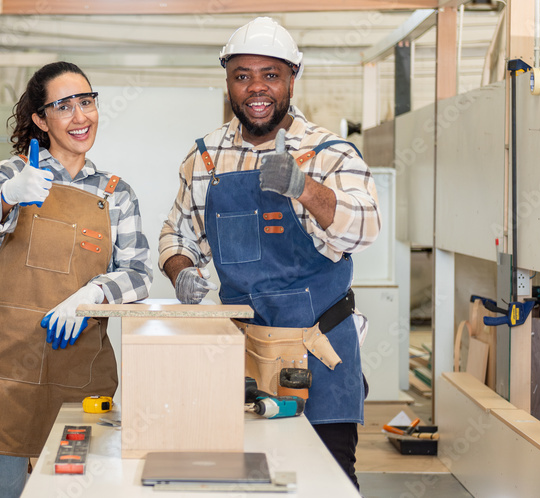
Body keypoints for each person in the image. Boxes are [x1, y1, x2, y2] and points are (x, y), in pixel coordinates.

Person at [158, 17, 380, 490]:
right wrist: (180, 271)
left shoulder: (328, 153)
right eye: (242, 76)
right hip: (241, 354)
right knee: (247, 479)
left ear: (292, 79)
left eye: (270, 75)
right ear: (228, 82)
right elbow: (176, 236)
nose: (256, 88)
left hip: (318, 354)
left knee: (329, 480)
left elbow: (364, 229)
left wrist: (303, 187)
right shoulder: (205, 159)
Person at [0, 61, 153, 498]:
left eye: (86, 101)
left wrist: (93, 293)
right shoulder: (14, 174)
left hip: (77, 372)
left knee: (77, 490)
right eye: (63, 106)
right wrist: (8, 196)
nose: (80, 116)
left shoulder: (115, 192)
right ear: (41, 120)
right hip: (3, 370)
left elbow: (139, 274)